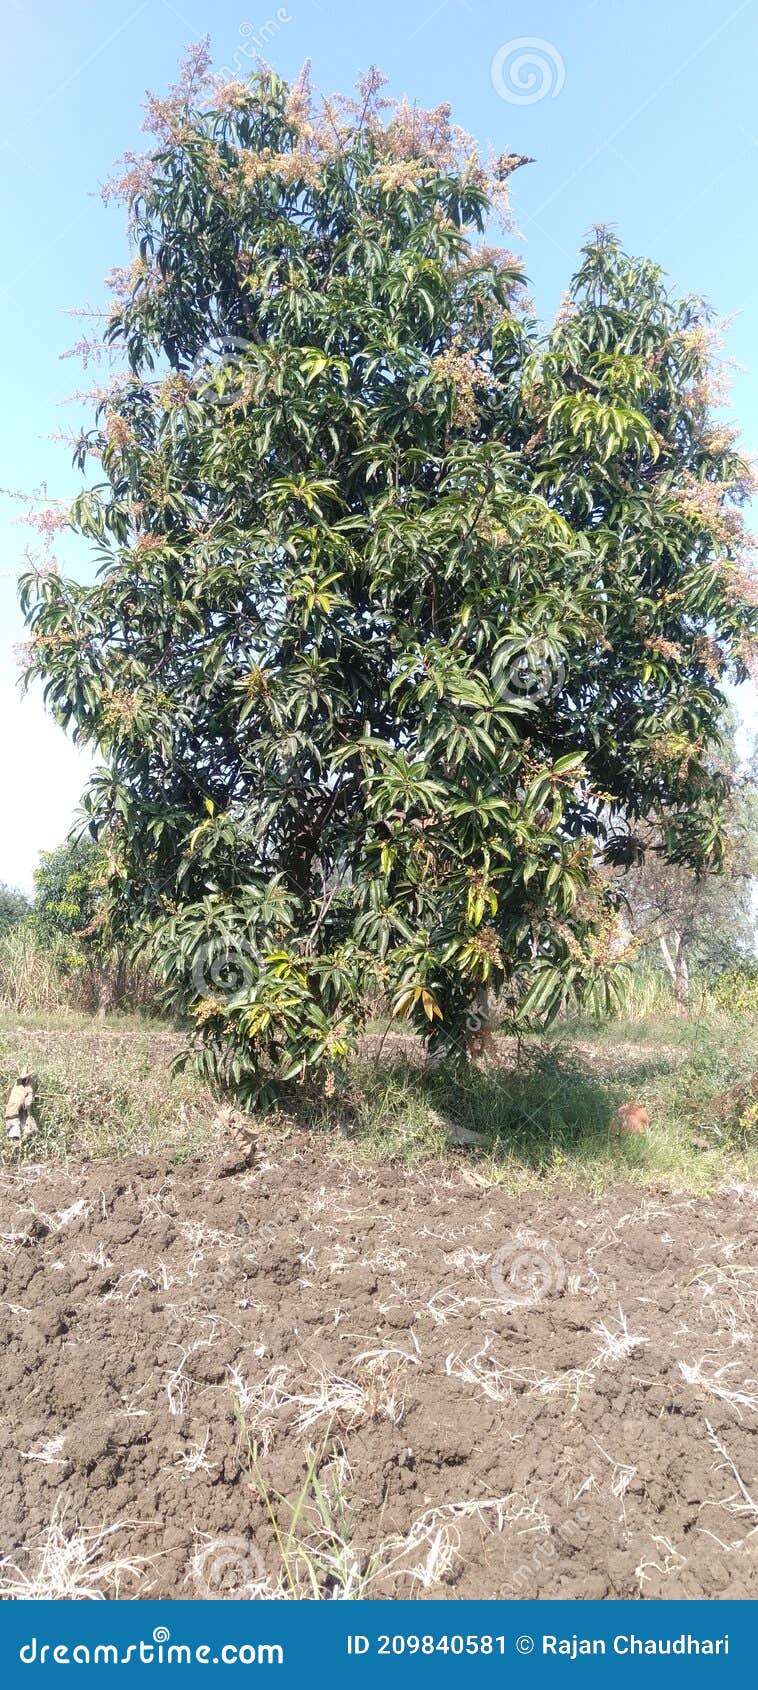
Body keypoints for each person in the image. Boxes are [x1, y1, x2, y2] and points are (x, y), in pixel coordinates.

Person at [5, 1070, 37, 1143]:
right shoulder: (18, 1086)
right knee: (15, 1116)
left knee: (23, 1117)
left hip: (19, 1113)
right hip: (14, 1113)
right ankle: (17, 1138)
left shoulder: (26, 1086)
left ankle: (24, 1135)